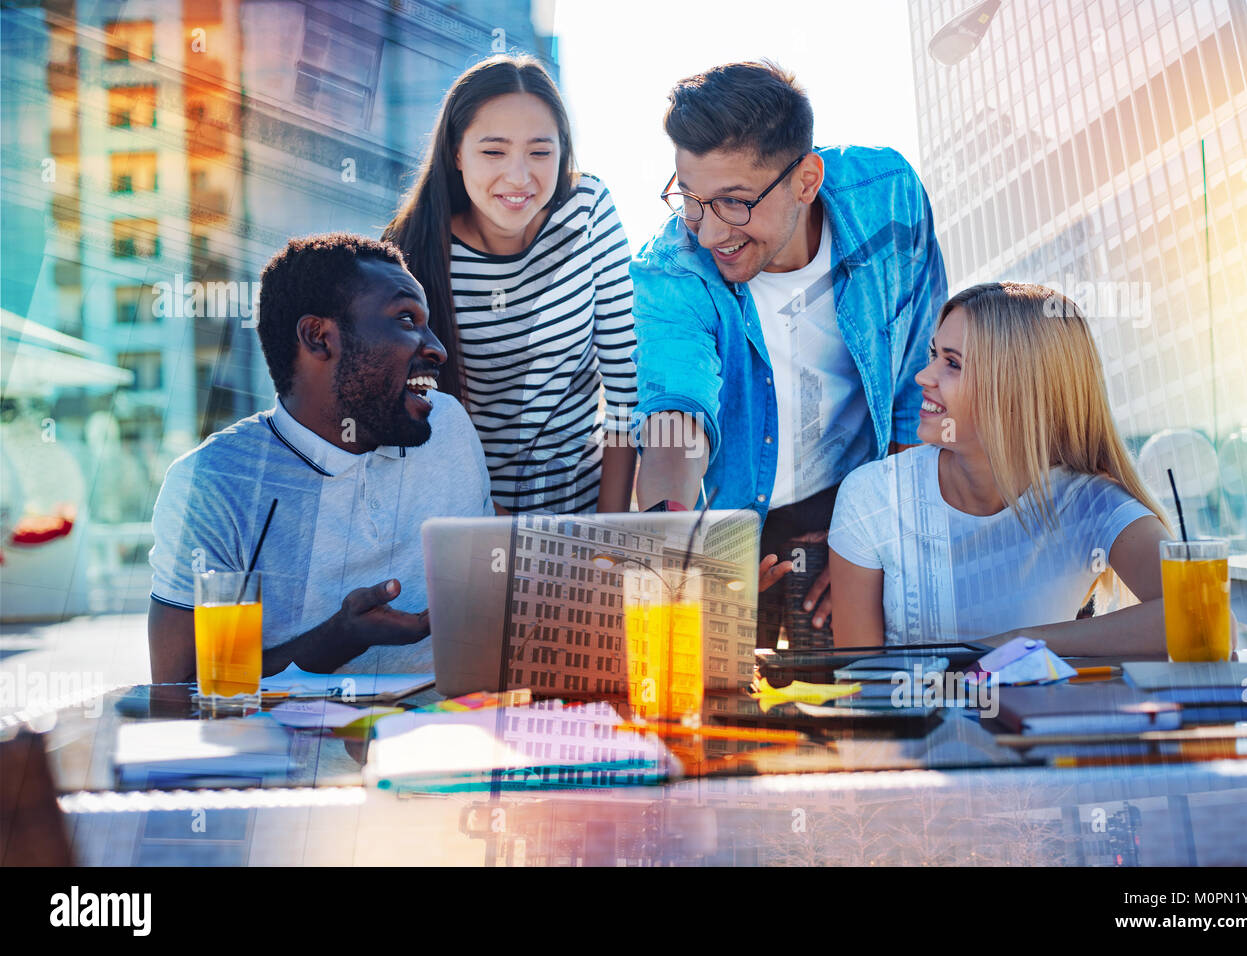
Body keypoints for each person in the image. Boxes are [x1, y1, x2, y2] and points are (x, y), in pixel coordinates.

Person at [629, 60, 947, 647]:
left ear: (806, 180)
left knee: (861, 707)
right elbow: (675, 413)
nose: (707, 232)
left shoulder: (890, 199)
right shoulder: (671, 268)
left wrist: (883, 530)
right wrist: (678, 550)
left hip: (855, 504)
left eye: (732, 202)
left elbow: (913, 387)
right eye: (691, 200)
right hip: (727, 530)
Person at [147, 233, 494, 682]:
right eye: (407, 320)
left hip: (456, 737)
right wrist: (336, 640)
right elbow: (184, 687)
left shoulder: (448, 426)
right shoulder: (215, 482)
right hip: (295, 751)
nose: (436, 348)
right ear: (319, 338)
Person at [828, 282, 1173, 656]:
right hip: (911, 716)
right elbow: (858, 681)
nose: (923, 377)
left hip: (1032, 714)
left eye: (953, 363)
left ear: (1018, 389)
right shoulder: (872, 495)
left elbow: (1205, 619)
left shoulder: (1089, 502)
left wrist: (1022, 643)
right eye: (933, 355)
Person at [384, 54, 637, 515]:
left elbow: (627, 391)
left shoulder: (588, 209)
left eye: (540, 152)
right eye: (494, 151)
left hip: (588, 514)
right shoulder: (411, 251)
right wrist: (494, 532)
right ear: (456, 152)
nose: (520, 177)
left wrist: (610, 534)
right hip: (466, 522)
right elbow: (407, 419)